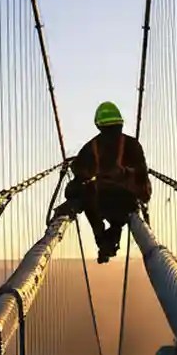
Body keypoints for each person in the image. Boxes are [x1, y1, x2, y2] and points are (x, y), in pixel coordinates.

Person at [64, 101, 152, 263]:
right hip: (128, 204)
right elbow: (143, 179)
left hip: (102, 203)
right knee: (117, 218)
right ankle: (110, 239)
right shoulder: (132, 144)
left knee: (83, 192)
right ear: (120, 123)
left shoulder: (93, 146)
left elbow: (79, 171)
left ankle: (102, 239)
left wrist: (75, 184)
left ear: (99, 125)